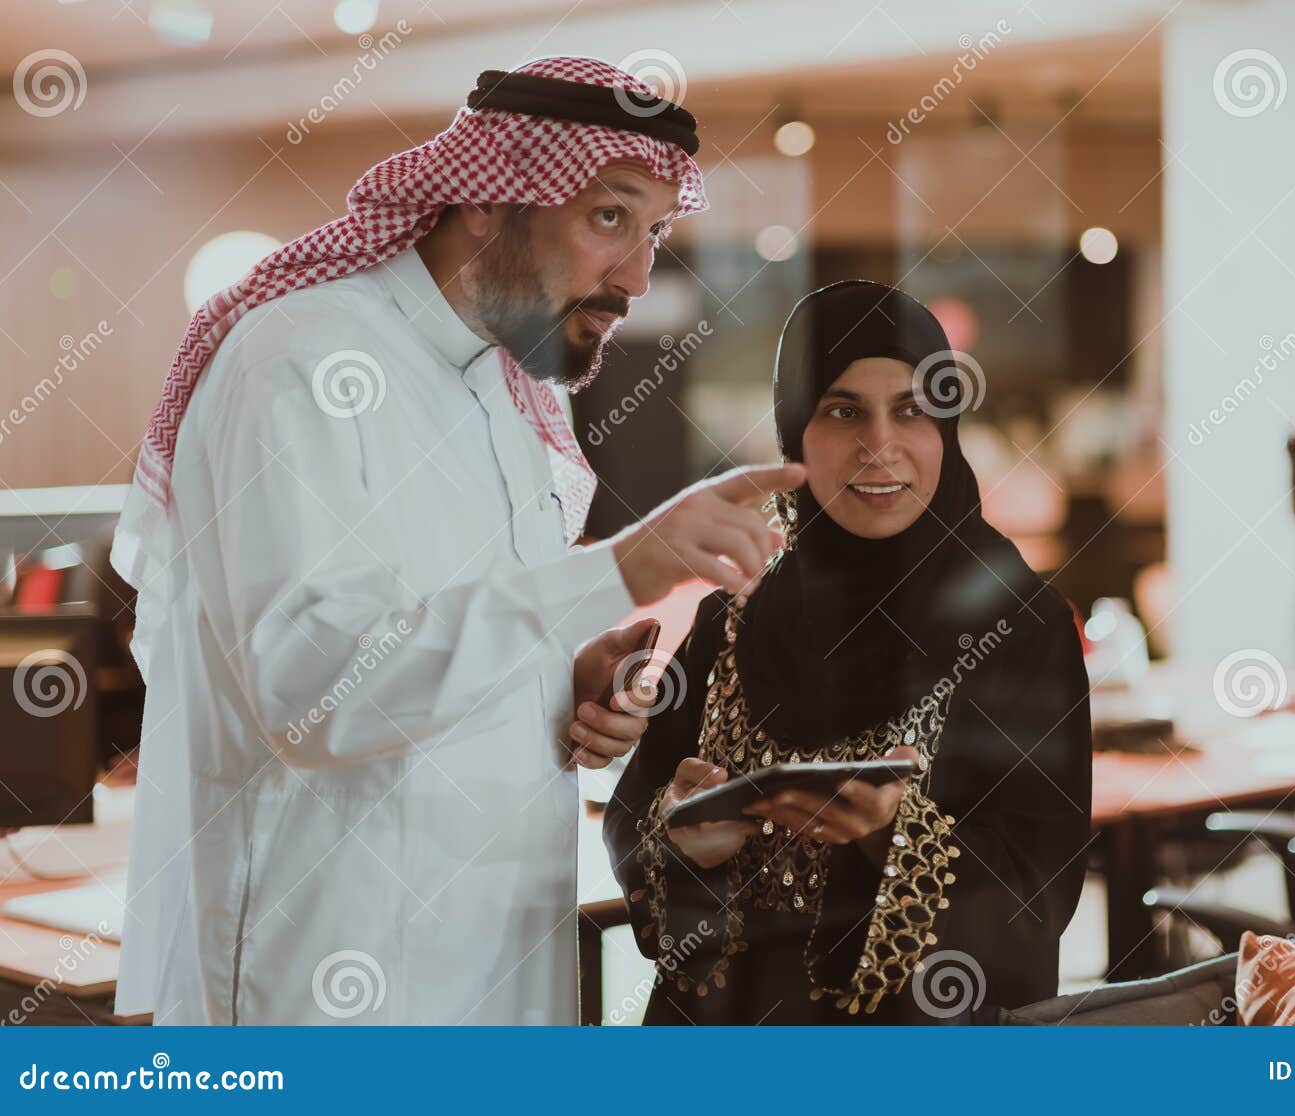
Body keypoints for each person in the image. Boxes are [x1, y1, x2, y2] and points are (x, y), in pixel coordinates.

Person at [111, 56, 802, 1025]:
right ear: (484, 196)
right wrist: (617, 571)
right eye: (608, 217)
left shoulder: (501, 392)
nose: (638, 277)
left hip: (507, 966)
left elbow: (443, 643)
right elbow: (315, 695)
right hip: (334, 984)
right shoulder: (301, 359)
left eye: (655, 233)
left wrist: (562, 680)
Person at [604, 281, 1092, 1024]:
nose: (879, 446)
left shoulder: (1019, 629)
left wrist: (894, 835)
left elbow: (1040, 886)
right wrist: (684, 841)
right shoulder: (734, 612)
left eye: (912, 411)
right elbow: (635, 809)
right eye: (842, 411)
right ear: (795, 430)